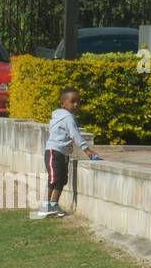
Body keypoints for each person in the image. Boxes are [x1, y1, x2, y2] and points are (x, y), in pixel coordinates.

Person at [39, 88, 103, 219]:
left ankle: (54, 204)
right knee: (54, 178)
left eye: (78, 102)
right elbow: (76, 135)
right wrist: (87, 151)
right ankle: (45, 205)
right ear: (63, 103)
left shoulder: (65, 117)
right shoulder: (67, 117)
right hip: (53, 152)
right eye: (72, 101)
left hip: (63, 154)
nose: (76, 105)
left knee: (61, 180)